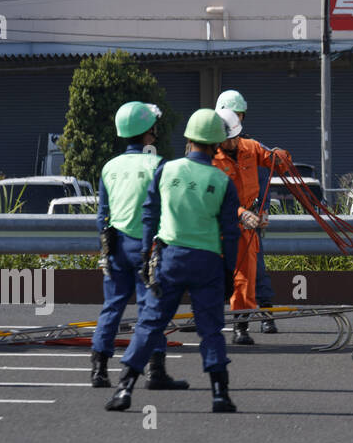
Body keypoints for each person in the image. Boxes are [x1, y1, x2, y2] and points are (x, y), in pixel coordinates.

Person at [104, 109, 242, 413]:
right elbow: (231, 234)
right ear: (217, 144)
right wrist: (229, 271)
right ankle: (220, 394)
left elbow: (149, 214)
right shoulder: (221, 181)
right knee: (210, 329)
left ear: (189, 139)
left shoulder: (166, 170)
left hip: (169, 258)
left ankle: (124, 389)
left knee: (150, 323)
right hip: (207, 261)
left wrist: (144, 254)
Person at [90, 102, 187, 392]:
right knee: (151, 310)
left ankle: (99, 370)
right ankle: (155, 370)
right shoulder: (158, 165)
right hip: (148, 247)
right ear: (148, 132)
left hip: (116, 244)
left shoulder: (109, 167)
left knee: (112, 306)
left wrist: (105, 246)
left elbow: (102, 215)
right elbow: (169, 210)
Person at [215, 89, 291, 338]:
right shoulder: (208, 157)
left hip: (247, 226)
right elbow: (212, 198)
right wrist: (239, 213)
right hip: (216, 226)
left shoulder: (251, 147)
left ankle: (242, 325)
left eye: (240, 117)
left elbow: (270, 168)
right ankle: (204, 317)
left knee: (248, 277)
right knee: (207, 275)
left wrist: (281, 157)